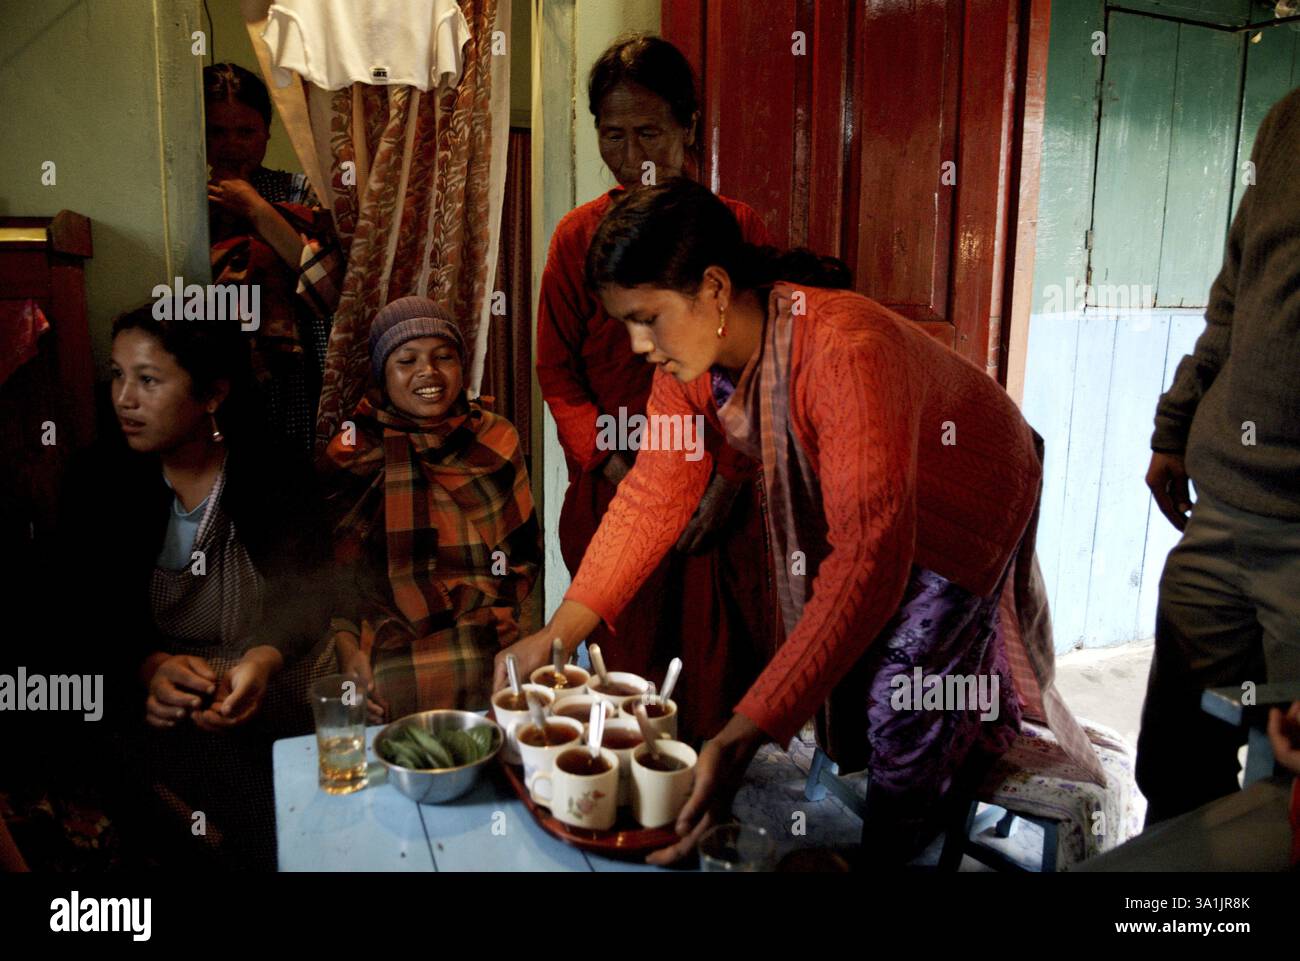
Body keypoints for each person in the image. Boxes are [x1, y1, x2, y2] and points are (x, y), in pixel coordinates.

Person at [498, 179, 1075, 864]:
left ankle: (895, 854)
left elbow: (868, 558)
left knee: (904, 692)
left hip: (969, 483)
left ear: (713, 288)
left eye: (646, 317)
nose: (636, 343)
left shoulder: (843, 351)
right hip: (884, 490)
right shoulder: (689, 367)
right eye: (624, 320)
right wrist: (558, 632)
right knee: (852, 653)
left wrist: (742, 735)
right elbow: (654, 491)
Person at [535, 34, 773, 740]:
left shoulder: (735, 228)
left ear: (690, 128)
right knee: (621, 662)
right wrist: (607, 458)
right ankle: (620, 795)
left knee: (713, 660)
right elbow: (557, 369)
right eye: (613, 134)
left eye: (650, 131)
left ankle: (702, 783)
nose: (632, 153)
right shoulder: (579, 237)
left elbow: (760, 378)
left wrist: (729, 481)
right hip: (617, 479)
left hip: (719, 482)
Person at [57, 303, 334, 869]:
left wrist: (262, 657)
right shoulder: (96, 480)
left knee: (280, 790)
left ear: (212, 394)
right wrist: (149, 667)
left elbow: (309, 597)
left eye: (148, 380)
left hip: (253, 673)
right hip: (150, 684)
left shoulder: (274, 471)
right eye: (118, 375)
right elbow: (78, 612)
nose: (124, 399)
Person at [1138, 88, 1300, 824]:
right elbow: (1233, 295)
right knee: (1175, 756)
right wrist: (1174, 425)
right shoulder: (1288, 121)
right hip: (1223, 506)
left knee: (1289, 784)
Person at [322, 297, 540, 720]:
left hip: (484, 635)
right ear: (382, 374)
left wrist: (511, 627)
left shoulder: (496, 439)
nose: (429, 372)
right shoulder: (352, 452)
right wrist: (348, 651)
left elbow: (522, 557)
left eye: (444, 357)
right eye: (407, 360)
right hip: (386, 647)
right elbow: (336, 580)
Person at [204, 62, 343, 453]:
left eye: (245, 131)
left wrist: (256, 209)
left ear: (266, 132)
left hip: (300, 373)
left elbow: (329, 290)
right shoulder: (183, 202)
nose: (231, 145)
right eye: (217, 131)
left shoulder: (301, 192)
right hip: (219, 369)